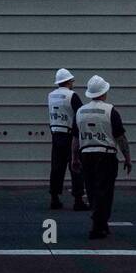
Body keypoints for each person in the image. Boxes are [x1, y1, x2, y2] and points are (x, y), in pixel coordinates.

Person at [76, 75, 132, 240]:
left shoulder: (80, 111)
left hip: (86, 154)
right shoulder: (110, 111)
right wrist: (127, 158)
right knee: (105, 191)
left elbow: (75, 138)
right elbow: (121, 137)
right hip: (106, 155)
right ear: (104, 92)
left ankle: (100, 222)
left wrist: (74, 158)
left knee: (92, 189)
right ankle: (98, 225)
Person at [47, 68, 88, 211]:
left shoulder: (51, 96)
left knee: (57, 167)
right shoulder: (72, 96)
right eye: (72, 80)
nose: (73, 83)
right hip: (70, 135)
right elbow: (80, 115)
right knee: (75, 166)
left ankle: (54, 198)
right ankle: (78, 199)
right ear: (68, 81)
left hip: (56, 134)